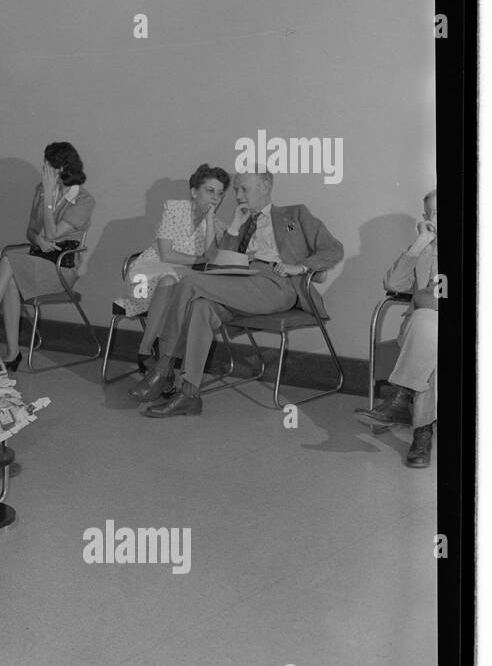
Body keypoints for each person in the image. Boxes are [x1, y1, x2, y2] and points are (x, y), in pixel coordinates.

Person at [132, 173, 344, 417]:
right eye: (236, 190)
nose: (239, 196)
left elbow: (332, 248)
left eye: (244, 189)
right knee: (201, 307)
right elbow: (218, 262)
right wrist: (234, 227)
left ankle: (163, 368)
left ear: (265, 186)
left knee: (189, 281)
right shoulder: (240, 222)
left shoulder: (295, 214)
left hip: (276, 284)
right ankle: (189, 394)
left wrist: (301, 267)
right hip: (240, 282)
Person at [0, 142, 95, 370]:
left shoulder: (84, 200)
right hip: (37, 259)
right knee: (10, 279)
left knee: (10, 258)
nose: (43, 168)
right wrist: (38, 240)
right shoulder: (40, 190)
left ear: (61, 168)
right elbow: (31, 230)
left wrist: (50, 197)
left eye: (47, 164)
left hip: (62, 268)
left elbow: (53, 232)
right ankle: (12, 354)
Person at [115, 165, 230, 369]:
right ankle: (153, 354)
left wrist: (210, 222)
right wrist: (200, 259)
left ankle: (151, 355)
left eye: (220, 194)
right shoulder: (174, 209)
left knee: (175, 283)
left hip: (179, 278)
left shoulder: (218, 226)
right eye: (210, 191)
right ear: (194, 192)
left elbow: (212, 258)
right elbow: (166, 254)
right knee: (171, 280)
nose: (215, 198)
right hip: (150, 270)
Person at [354, 190, 438, 467]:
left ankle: (404, 404)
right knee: (427, 328)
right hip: (421, 329)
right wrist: (419, 244)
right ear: (426, 218)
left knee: (430, 337)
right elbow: (394, 285)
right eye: (435, 213)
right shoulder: (424, 248)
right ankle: (421, 430)